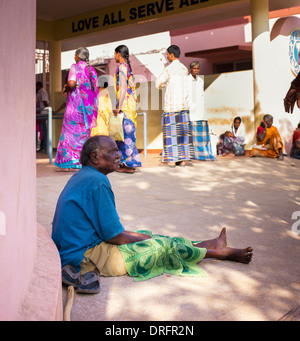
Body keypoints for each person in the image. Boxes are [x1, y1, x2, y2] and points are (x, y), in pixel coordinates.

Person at [51, 135, 253, 292]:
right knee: (155, 244)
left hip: (78, 249)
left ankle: (205, 245)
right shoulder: (97, 181)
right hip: (85, 257)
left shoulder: (85, 176)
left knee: (148, 235)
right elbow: (113, 235)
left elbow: (109, 230)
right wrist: (146, 238)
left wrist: (144, 236)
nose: (118, 155)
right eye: (112, 151)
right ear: (95, 157)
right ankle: (218, 253)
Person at [54, 47, 99, 171]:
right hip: (88, 112)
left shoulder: (75, 67)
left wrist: (66, 88)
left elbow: (72, 83)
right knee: (83, 136)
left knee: (69, 134)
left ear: (77, 56)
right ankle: (81, 162)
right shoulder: (92, 71)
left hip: (75, 108)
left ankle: (69, 162)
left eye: (75, 55)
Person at [155, 45, 191, 167]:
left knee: (171, 134)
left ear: (171, 54)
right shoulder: (184, 69)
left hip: (171, 107)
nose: (166, 56)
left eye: (167, 54)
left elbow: (157, 83)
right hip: (184, 107)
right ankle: (183, 159)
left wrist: (163, 86)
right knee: (183, 134)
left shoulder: (169, 69)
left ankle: (171, 159)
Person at [113, 45, 141, 173]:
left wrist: (118, 106)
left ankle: (128, 165)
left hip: (125, 106)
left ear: (118, 54)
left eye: (115, 54)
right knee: (127, 135)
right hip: (131, 106)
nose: (114, 56)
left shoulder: (122, 67)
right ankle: (129, 163)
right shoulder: (128, 68)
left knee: (124, 136)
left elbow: (123, 88)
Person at [187, 61, 215, 161]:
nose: (196, 70)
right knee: (193, 136)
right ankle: (194, 155)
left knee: (203, 137)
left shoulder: (200, 81)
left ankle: (204, 154)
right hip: (192, 113)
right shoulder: (187, 80)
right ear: (190, 69)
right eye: (194, 69)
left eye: (197, 69)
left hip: (201, 112)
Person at [36, 81, 50, 152]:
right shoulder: (39, 92)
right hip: (41, 112)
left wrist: (49, 110)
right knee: (42, 130)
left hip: (44, 112)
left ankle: (44, 147)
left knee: (44, 130)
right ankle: (42, 146)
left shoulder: (42, 92)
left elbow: (45, 102)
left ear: (39, 86)